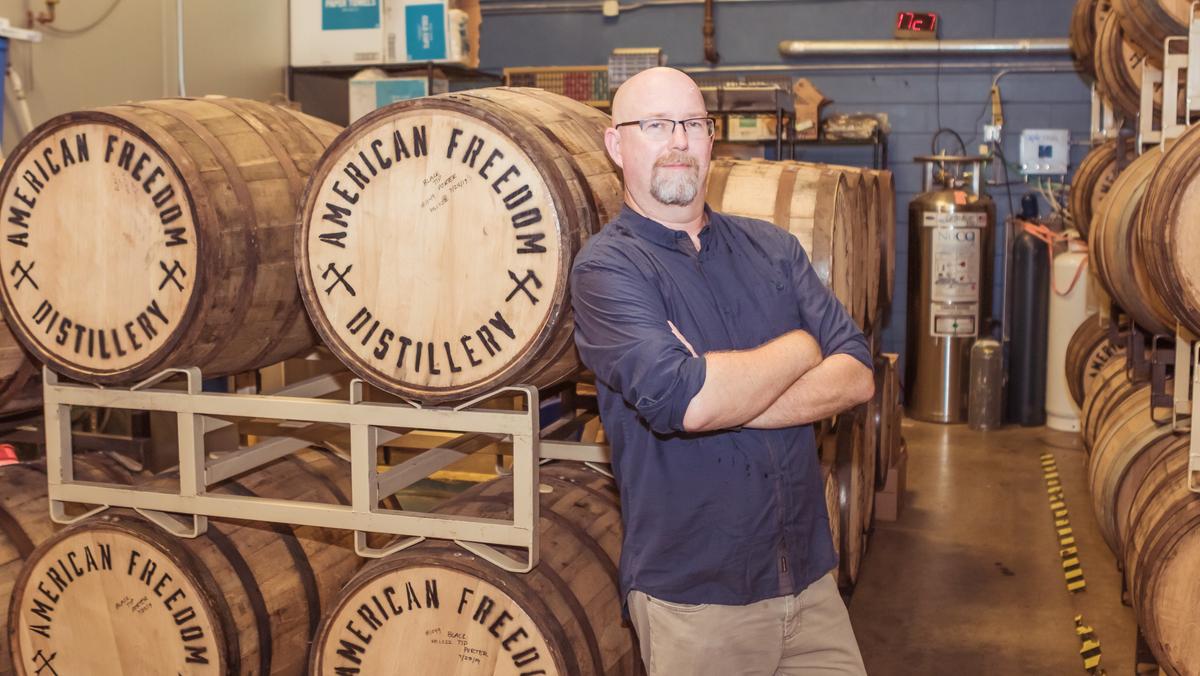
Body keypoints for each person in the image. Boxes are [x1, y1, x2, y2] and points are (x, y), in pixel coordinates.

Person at [570, 67, 875, 675]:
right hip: (696, 603)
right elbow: (686, 403)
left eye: (692, 125)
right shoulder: (607, 269)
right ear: (616, 144)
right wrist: (798, 348)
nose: (678, 142)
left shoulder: (774, 248)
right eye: (655, 125)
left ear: (712, 140)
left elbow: (859, 373)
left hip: (812, 583)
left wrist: (726, 393)